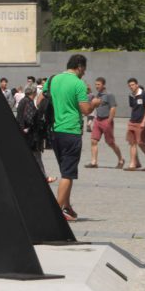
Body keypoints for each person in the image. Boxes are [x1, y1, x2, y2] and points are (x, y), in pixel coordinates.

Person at [47, 53, 97, 221]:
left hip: (55, 131)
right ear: (80, 67)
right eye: (84, 69)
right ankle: (54, 214)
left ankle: (66, 206)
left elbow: (41, 98)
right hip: (71, 131)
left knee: (64, 169)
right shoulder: (78, 84)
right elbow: (85, 110)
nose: (84, 73)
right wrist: (94, 104)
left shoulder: (53, 79)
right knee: (68, 174)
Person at [87, 76, 124, 169]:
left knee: (110, 142)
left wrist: (109, 120)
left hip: (106, 120)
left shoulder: (109, 95)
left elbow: (113, 107)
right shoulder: (97, 95)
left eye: (98, 84)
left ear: (103, 85)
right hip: (98, 120)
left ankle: (121, 159)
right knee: (93, 141)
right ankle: (94, 162)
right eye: (96, 84)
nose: (97, 86)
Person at [126, 77, 145, 172]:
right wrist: (130, 121)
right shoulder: (131, 96)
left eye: (133, 85)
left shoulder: (144, 94)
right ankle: (132, 164)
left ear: (137, 84)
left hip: (141, 123)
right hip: (132, 121)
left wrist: (144, 121)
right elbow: (133, 108)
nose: (131, 87)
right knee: (132, 143)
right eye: (129, 85)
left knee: (141, 143)